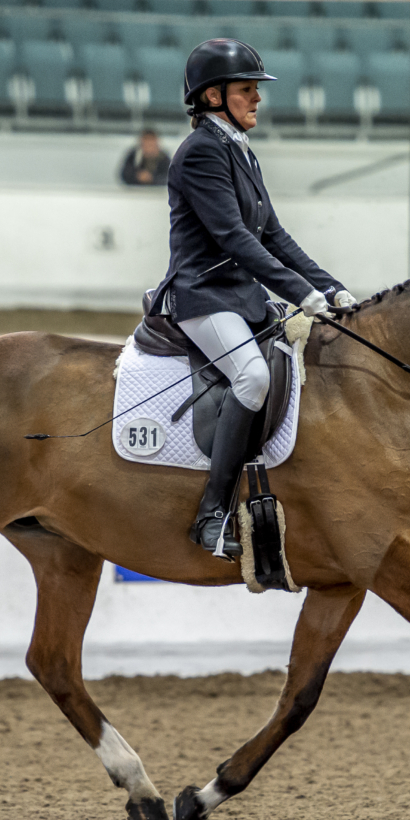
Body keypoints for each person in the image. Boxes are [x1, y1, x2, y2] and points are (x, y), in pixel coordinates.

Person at [151, 38, 359, 560]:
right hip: (203, 296)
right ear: (214, 97)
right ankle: (212, 514)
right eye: (247, 91)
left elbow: (273, 235)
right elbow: (234, 240)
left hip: (240, 297)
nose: (258, 99)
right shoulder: (200, 153)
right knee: (254, 376)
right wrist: (301, 293)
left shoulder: (239, 151)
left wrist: (330, 286)